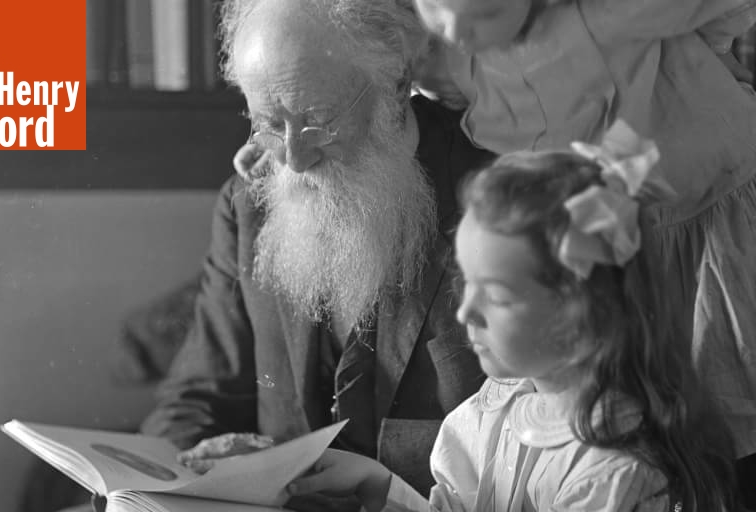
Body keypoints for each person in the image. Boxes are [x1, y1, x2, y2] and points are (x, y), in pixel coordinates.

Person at [407, 1, 756, 511]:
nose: (457, 33)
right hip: (595, 253)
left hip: (726, 222)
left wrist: (692, 61)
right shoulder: (441, 57)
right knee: (646, 430)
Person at [137, 0, 498, 510]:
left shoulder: (495, 206)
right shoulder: (249, 207)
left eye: (317, 120)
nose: (294, 157)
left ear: (395, 85)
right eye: (269, 122)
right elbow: (196, 401)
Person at [285, 142, 745, 511]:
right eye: (466, 283)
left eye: (498, 295)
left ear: (585, 313)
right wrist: (378, 482)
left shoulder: (614, 474)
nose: (466, 313)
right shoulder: (493, 413)